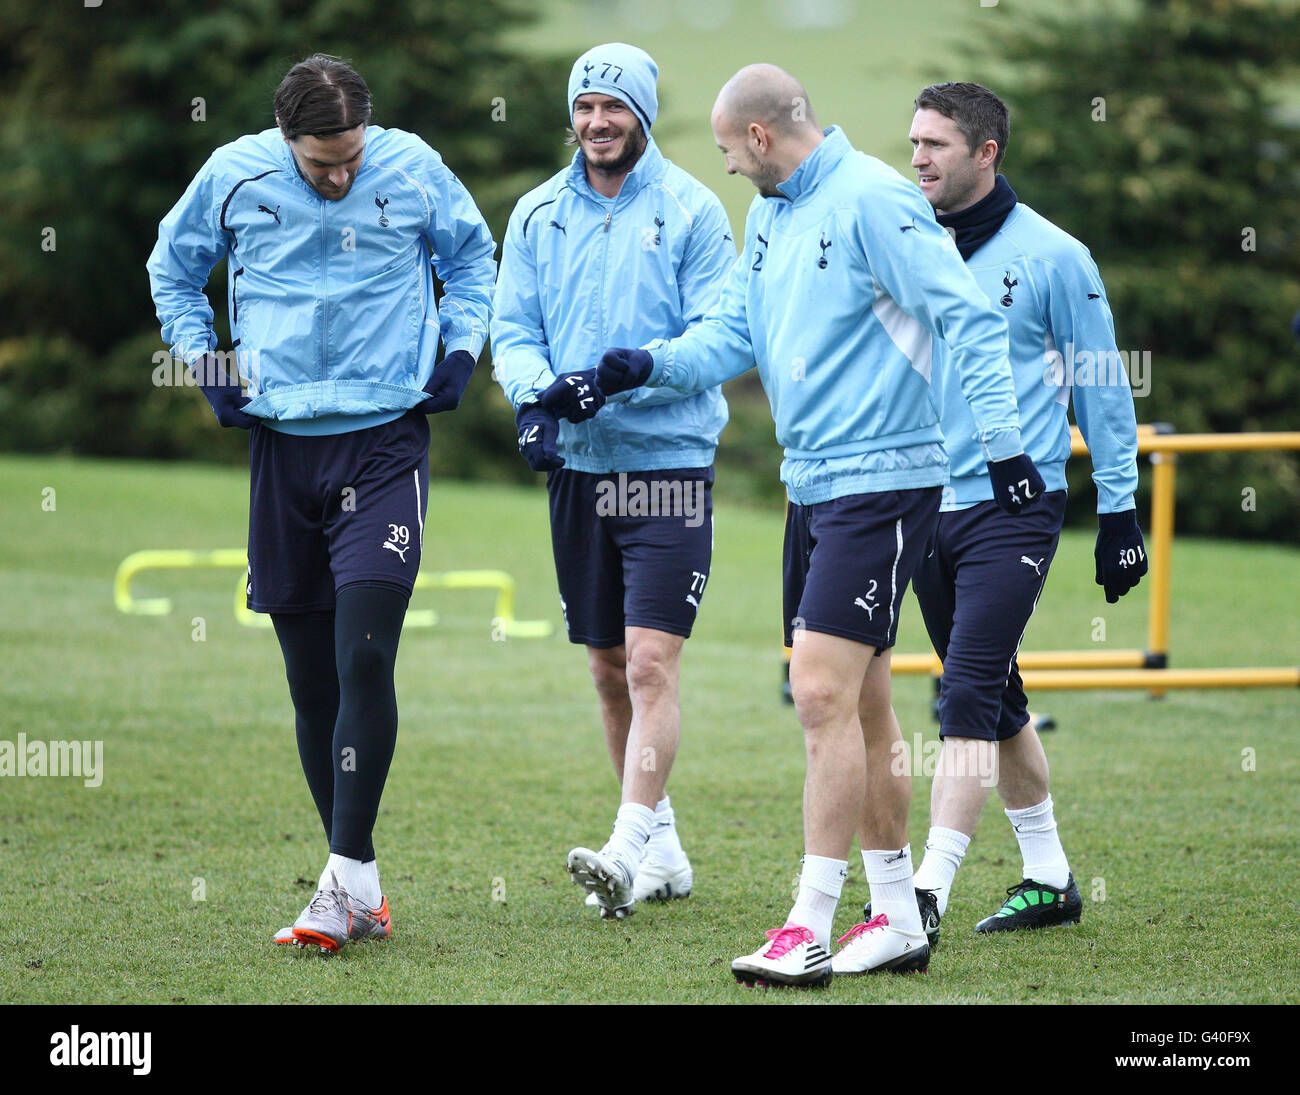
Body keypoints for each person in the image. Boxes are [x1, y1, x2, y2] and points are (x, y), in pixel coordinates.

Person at [594, 64, 1045, 986]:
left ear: (760, 136)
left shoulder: (875, 199)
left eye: (726, 151)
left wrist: (1002, 447)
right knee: (865, 704)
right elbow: (734, 336)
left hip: (882, 484)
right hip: (815, 486)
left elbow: (967, 319)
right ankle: (894, 914)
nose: (724, 168)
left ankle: (808, 920)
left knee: (820, 694)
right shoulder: (771, 216)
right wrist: (641, 365)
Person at [146, 55, 496, 953]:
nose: (338, 176)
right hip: (281, 448)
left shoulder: (413, 166)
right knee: (311, 682)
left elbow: (472, 258)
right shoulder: (234, 173)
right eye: (319, 163)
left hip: (384, 443)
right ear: (285, 138)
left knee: (366, 659)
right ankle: (360, 880)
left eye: (349, 158)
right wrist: (207, 362)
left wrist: (460, 352)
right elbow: (172, 271)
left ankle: (334, 890)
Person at [850, 82, 1146, 947]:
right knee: (1000, 694)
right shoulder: (905, 246)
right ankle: (1050, 876)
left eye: (937, 144)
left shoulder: (1056, 257)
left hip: (1013, 509)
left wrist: (1120, 510)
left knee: (967, 690)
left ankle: (927, 890)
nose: (918, 159)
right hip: (918, 503)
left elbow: (1102, 387)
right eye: (913, 143)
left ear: (986, 153)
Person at [491, 43, 736, 919]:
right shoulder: (535, 213)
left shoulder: (693, 210)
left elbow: (724, 337)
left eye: (616, 107)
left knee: (650, 662)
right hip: (581, 474)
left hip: (666, 466)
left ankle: (626, 848)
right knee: (604, 666)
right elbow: (512, 327)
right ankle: (665, 845)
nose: (599, 122)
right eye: (587, 107)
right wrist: (532, 402)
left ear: (642, 114)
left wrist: (633, 369)